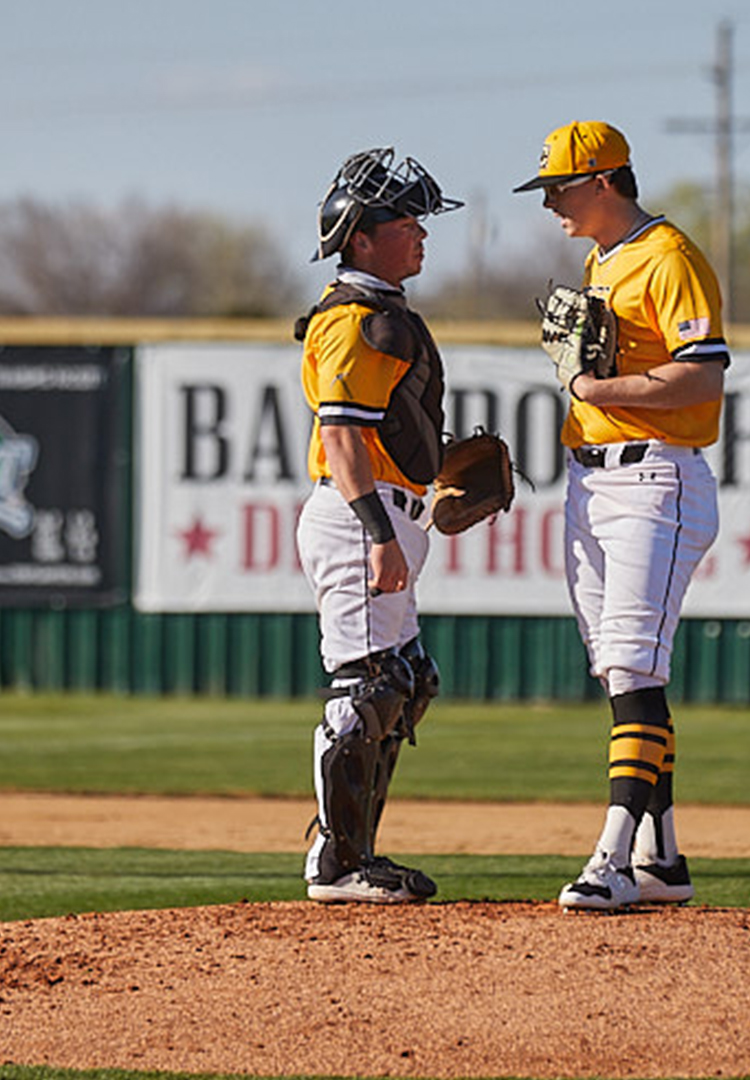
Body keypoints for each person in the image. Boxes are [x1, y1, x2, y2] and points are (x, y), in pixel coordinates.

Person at [514, 121, 729, 911]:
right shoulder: (601, 260)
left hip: (654, 479)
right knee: (619, 669)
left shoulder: (670, 257)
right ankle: (661, 859)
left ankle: (609, 859)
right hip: (592, 482)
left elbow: (703, 379)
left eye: (558, 189)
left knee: (634, 666)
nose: (549, 205)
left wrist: (594, 391)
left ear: (604, 181)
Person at [291, 147, 461, 903]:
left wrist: (431, 494)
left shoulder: (384, 315)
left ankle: (359, 851)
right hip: (359, 517)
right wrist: (381, 532)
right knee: (367, 685)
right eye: (404, 220)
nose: (420, 231)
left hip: (387, 512)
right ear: (361, 238)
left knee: (405, 682)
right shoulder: (355, 320)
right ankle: (338, 863)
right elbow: (340, 437)